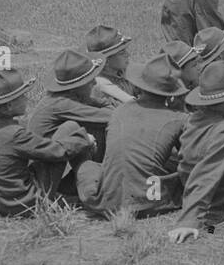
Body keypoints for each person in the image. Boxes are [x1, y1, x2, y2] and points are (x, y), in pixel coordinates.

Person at [0, 66, 97, 218]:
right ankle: (90, 190)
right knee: (71, 129)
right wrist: (84, 139)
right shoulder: (13, 134)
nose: (27, 99)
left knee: (68, 134)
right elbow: (56, 151)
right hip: (23, 206)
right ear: (9, 105)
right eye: (22, 96)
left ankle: (77, 187)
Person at [78, 54, 188, 219]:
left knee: (87, 167)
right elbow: (189, 159)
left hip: (108, 202)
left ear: (140, 85)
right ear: (172, 93)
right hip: (153, 201)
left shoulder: (120, 111)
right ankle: (211, 226)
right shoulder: (178, 118)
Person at [167, 60, 224, 242]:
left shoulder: (195, 119)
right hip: (217, 200)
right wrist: (189, 220)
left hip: (191, 188)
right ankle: (210, 230)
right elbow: (207, 171)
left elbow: (203, 157)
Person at [28, 49, 115, 161]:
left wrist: (98, 102)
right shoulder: (61, 104)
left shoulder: (60, 98)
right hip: (44, 164)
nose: (94, 83)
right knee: (96, 127)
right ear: (76, 87)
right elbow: (111, 117)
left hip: (49, 157)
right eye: (90, 81)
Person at [87, 24, 134, 105]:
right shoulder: (101, 83)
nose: (128, 54)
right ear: (106, 61)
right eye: (122, 52)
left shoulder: (118, 71)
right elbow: (133, 105)